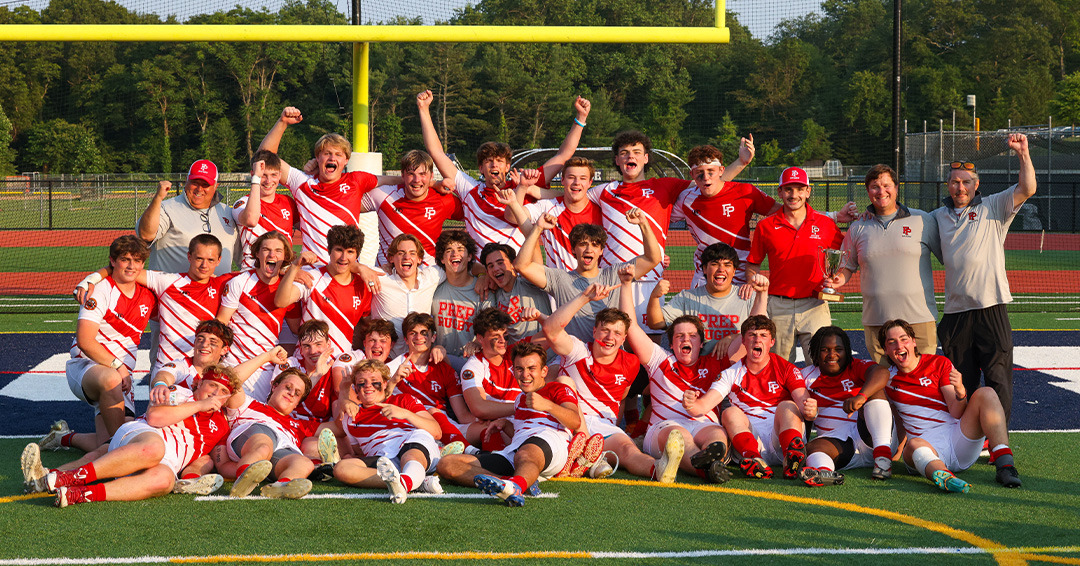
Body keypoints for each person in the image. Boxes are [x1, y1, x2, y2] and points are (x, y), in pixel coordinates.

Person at [21, 365, 242, 507]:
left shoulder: (222, 424)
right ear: (199, 383)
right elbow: (155, 417)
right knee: (150, 449)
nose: (215, 393)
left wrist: (195, 474)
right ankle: (67, 476)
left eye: (223, 392)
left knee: (164, 480)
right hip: (142, 436)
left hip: (164, 461)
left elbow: (209, 457)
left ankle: (81, 493)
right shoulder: (180, 393)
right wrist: (199, 405)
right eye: (212, 385)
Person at [931, 134, 1036, 425]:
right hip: (955, 313)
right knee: (959, 381)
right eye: (954, 182)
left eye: (966, 182)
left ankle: (996, 442)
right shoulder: (937, 217)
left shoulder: (993, 206)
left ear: (976, 185)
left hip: (991, 307)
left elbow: (1028, 188)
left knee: (998, 378)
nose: (960, 187)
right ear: (948, 186)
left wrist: (1023, 153)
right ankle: (963, 437)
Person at [541, 284, 682, 482]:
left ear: (624, 338)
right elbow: (551, 329)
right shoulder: (578, 351)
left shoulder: (630, 362)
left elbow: (621, 399)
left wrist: (615, 426)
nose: (610, 338)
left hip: (602, 426)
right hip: (566, 422)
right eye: (605, 330)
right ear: (594, 331)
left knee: (627, 449)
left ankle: (658, 468)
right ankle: (589, 458)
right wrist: (584, 297)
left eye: (617, 333)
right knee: (564, 381)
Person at [418, 89, 590, 250]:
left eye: (500, 161)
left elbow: (563, 155)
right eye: (489, 161)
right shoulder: (469, 189)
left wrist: (580, 119)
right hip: (482, 272)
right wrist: (424, 109)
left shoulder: (525, 184)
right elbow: (436, 152)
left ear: (508, 166)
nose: (494, 165)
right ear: (480, 168)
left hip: (517, 273)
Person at [874, 319, 1021, 492]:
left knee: (986, 393)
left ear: (913, 341)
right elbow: (896, 418)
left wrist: (960, 391)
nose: (899, 345)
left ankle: (1005, 466)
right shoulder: (886, 378)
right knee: (913, 444)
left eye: (903, 339)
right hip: (923, 448)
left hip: (957, 441)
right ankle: (945, 477)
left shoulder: (938, 363)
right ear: (886, 350)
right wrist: (896, 451)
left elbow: (957, 411)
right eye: (892, 342)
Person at [619, 265, 732, 484]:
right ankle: (706, 470)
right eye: (679, 336)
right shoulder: (660, 360)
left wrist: (733, 334)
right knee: (680, 437)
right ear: (671, 343)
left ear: (702, 342)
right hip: (665, 426)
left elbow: (752, 337)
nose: (685, 340)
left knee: (716, 436)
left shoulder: (715, 362)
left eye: (692, 336)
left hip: (704, 423)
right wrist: (625, 285)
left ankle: (711, 458)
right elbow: (631, 327)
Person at [438, 343, 581, 507]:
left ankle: (516, 486)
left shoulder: (558, 388)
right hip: (519, 450)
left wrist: (548, 405)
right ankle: (512, 482)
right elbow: (522, 436)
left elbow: (574, 420)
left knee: (525, 453)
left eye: (531, 368)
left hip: (551, 444)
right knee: (448, 464)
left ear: (544, 371)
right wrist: (505, 425)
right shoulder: (520, 399)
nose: (525, 374)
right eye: (519, 369)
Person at [74, 234, 233, 377]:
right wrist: (93, 278)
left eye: (210, 260)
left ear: (219, 260)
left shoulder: (224, 283)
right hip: (168, 367)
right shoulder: (167, 281)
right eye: (199, 258)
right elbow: (126, 269)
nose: (204, 265)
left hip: (206, 367)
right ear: (189, 257)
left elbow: (256, 273)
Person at [257, 106, 399, 265]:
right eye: (327, 153)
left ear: (346, 161)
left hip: (346, 269)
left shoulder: (356, 180)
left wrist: (428, 183)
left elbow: (394, 180)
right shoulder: (303, 182)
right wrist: (282, 122)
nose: (332, 158)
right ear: (317, 157)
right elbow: (265, 156)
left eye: (338, 154)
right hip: (312, 271)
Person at [682, 315, 817, 480]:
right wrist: (690, 402)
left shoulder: (786, 368)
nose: (757, 340)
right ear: (744, 342)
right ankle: (753, 460)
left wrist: (810, 409)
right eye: (752, 335)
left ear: (772, 342)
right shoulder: (730, 374)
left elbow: (804, 405)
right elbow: (702, 406)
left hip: (781, 434)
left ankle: (791, 457)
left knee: (788, 405)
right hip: (749, 440)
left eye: (763, 335)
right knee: (729, 413)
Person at [829, 164, 940, 363]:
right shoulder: (858, 227)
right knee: (884, 382)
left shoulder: (922, 220)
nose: (881, 191)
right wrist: (836, 280)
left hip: (919, 320)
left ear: (896, 188)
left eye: (887, 185)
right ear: (868, 191)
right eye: (875, 186)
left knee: (924, 383)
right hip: (877, 322)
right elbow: (847, 267)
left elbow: (947, 257)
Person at [513, 207, 661, 344]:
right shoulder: (559, 279)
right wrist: (538, 228)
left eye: (595, 245)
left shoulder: (616, 274)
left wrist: (644, 224)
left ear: (601, 250)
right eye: (583, 244)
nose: (589, 249)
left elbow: (652, 258)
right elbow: (521, 266)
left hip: (609, 354)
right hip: (573, 357)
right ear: (573, 249)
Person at [745, 166, 844, 363]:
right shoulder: (766, 226)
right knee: (778, 367)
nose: (794, 195)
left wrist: (837, 278)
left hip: (815, 304)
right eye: (788, 189)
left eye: (799, 189)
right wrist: (753, 282)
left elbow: (845, 257)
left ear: (808, 191)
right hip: (778, 306)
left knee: (822, 364)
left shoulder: (826, 224)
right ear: (780, 191)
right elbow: (753, 263)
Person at [66, 235, 156, 447]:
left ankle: (64, 438)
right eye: (125, 259)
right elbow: (85, 341)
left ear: (143, 264)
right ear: (113, 261)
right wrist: (119, 367)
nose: (131, 266)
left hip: (122, 378)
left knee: (104, 446)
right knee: (124, 441)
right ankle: (123, 450)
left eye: (137, 261)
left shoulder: (149, 292)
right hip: (88, 368)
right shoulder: (100, 290)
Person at [331, 359, 444, 504]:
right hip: (383, 458)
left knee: (409, 455)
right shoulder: (351, 416)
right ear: (356, 387)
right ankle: (414, 481)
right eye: (362, 382)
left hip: (412, 443)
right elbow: (359, 452)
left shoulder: (404, 400)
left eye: (374, 381)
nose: (368, 386)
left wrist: (406, 414)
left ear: (385, 383)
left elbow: (436, 432)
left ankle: (406, 481)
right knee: (342, 469)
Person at [798, 326, 896, 486]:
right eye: (825, 350)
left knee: (874, 390)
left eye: (838, 349)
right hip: (838, 443)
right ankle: (824, 472)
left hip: (870, 436)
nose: (832, 355)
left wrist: (860, 397)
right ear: (816, 352)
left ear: (847, 351)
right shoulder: (806, 376)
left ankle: (883, 457)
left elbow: (882, 372)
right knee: (813, 448)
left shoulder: (856, 366)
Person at [672, 142, 770, 287]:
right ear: (692, 174)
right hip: (705, 275)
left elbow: (782, 213)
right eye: (700, 172)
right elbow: (658, 220)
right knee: (696, 310)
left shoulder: (745, 192)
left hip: (741, 275)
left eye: (711, 171)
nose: (706, 177)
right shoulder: (685, 200)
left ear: (721, 170)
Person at [647, 242, 768, 355]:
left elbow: (763, 332)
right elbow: (656, 323)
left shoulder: (746, 297)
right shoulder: (687, 297)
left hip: (735, 367)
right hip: (699, 366)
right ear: (704, 269)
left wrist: (734, 337)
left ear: (734, 271)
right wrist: (654, 297)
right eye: (715, 264)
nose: (721, 269)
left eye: (727, 265)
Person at [216, 367, 316, 499]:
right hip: (254, 436)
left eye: (297, 393)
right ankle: (244, 477)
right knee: (264, 446)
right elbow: (230, 379)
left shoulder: (299, 425)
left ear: (298, 403)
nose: (291, 393)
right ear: (274, 386)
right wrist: (268, 356)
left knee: (304, 463)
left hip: (281, 447)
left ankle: (282, 486)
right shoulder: (249, 403)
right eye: (288, 387)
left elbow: (337, 427)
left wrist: (345, 397)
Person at [274, 225, 371, 355]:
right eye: (339, 250)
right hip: (308, 360)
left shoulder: (362, 286)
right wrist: (294, 267)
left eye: (350, 252)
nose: (343, 257)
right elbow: (281, 302)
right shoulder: (313, 278)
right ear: (329, 250)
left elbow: (363, 325)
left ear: (357, 255)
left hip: (340, 363)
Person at [383, 312, 473, 449]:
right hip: (410, 427)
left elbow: (462, 415)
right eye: (413, 333)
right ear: (406, 339)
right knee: (432, 411)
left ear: (433, 337)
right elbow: (375, 400)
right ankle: (471, 451)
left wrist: (489, 421)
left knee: (487, 429)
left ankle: (492, 460)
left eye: (424, 332)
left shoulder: (444, 369)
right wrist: (393, 381)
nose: (419, 337)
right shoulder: (394, 367)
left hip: (447, 427)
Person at [360, 150, 464, 267]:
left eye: (422, 174)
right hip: (388, 276)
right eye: (411, 174)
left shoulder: (445, 200)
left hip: (427, 277)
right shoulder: (383, 195)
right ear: (402, 175)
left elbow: (474, 220)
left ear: (431, 175)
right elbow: (348, 205)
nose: (416, 180)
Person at [137, 159, 237, 275]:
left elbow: (244, 256)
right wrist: (157, 199)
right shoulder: (165, 208)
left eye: (205, 184)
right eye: (195, 182)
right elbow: (146, 234)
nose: (199, 189)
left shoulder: (228, 212)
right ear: (186, 181)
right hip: (173, 291)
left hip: (217, 291)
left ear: (216, 186)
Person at [505, 157, 603, 271]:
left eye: (583, 178)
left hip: (595, 285)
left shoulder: (602, 210)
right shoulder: (548, 207)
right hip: (558, 285)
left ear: (590, 182)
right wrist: (522, 187)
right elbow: (512, 217)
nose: (577, 182)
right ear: (562, 180)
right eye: (571, 177)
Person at [216, 230, 298, 366]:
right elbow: (221, 323)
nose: (272, 255)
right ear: (257, 254)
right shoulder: (240, 282)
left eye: (278, 251)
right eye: (266, 249)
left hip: (267, 363)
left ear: (285, 256)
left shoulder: (288, 288)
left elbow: (296, 329)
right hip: (234, 361)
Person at [368, 234, 445, 357]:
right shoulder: (380, 277)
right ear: (391, 258)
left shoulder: (432, 276)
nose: (407, 257)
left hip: (420, 361)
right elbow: (349, 266)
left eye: (412, 253)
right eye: (401, 253)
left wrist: (481, 277)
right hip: (387, 360)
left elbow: (462, 268)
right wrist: (360, 268)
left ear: (420, 259)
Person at [459, 307, 522, 450]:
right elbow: (479, 408)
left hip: (519, 421)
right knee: (492, 427)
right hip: (496, 425)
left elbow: (551, 335)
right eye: (496, 336)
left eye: (505, 335)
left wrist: (540, 318)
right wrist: (522, 406)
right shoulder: (473, 366)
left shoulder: (516, 353)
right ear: (480, 338)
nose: (502, 341)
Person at [431, 230, 492, 372]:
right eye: (449, 250)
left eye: (460, 250)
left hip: (472, 364)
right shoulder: (434, 288)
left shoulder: (482, 289)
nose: (455, 254)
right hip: (439, 363)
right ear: (442, 259)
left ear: (470, 256)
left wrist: (477, 342)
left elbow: (490, 328)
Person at [233, 150, 298, 270]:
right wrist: (256, 180)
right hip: (253, 273)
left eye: (273, 175)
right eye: (263, 175)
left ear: (279, 175)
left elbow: (308, 227)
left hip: (282, 272)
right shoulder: (242, 203)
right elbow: (251, 220)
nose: (268, 181)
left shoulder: (287, 201)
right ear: (253, 174)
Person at [480, 242, 551, 343]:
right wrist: (481, 276)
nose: (495, 268)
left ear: (513, 264)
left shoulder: (529, 282)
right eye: (490, 266)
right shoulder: (494, 293)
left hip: (545, 355)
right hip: (516, 355)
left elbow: (534, 246)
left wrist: (536, 227)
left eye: (500, 263)